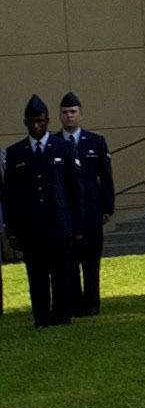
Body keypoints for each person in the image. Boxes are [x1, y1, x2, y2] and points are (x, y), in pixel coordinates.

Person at [3, 95, 78, 327]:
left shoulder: (64, 148)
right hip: (31, 226)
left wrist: (76, 225)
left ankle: (63, 316)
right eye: (31, 121)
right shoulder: (16, 152)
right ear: (25, 122)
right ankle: (42, 317)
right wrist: (12, 230)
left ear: (47, 121)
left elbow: (74, 189)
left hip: (59, 222)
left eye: (40, 121)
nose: (36, 126)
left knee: (61, 274)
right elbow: (11, 196)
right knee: (36, 276)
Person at [56, 93, 114, 316]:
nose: (69, 116)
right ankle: (75, 304)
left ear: (80, 115)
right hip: (66, 213)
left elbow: (105, 177)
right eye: (65, 112)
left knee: (91, 263)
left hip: (91, 211)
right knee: (70, 263)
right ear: (60, 116)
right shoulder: (55, 143)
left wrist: (107, 207)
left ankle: (92, 304)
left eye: (73, 112)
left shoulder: (95, 142)